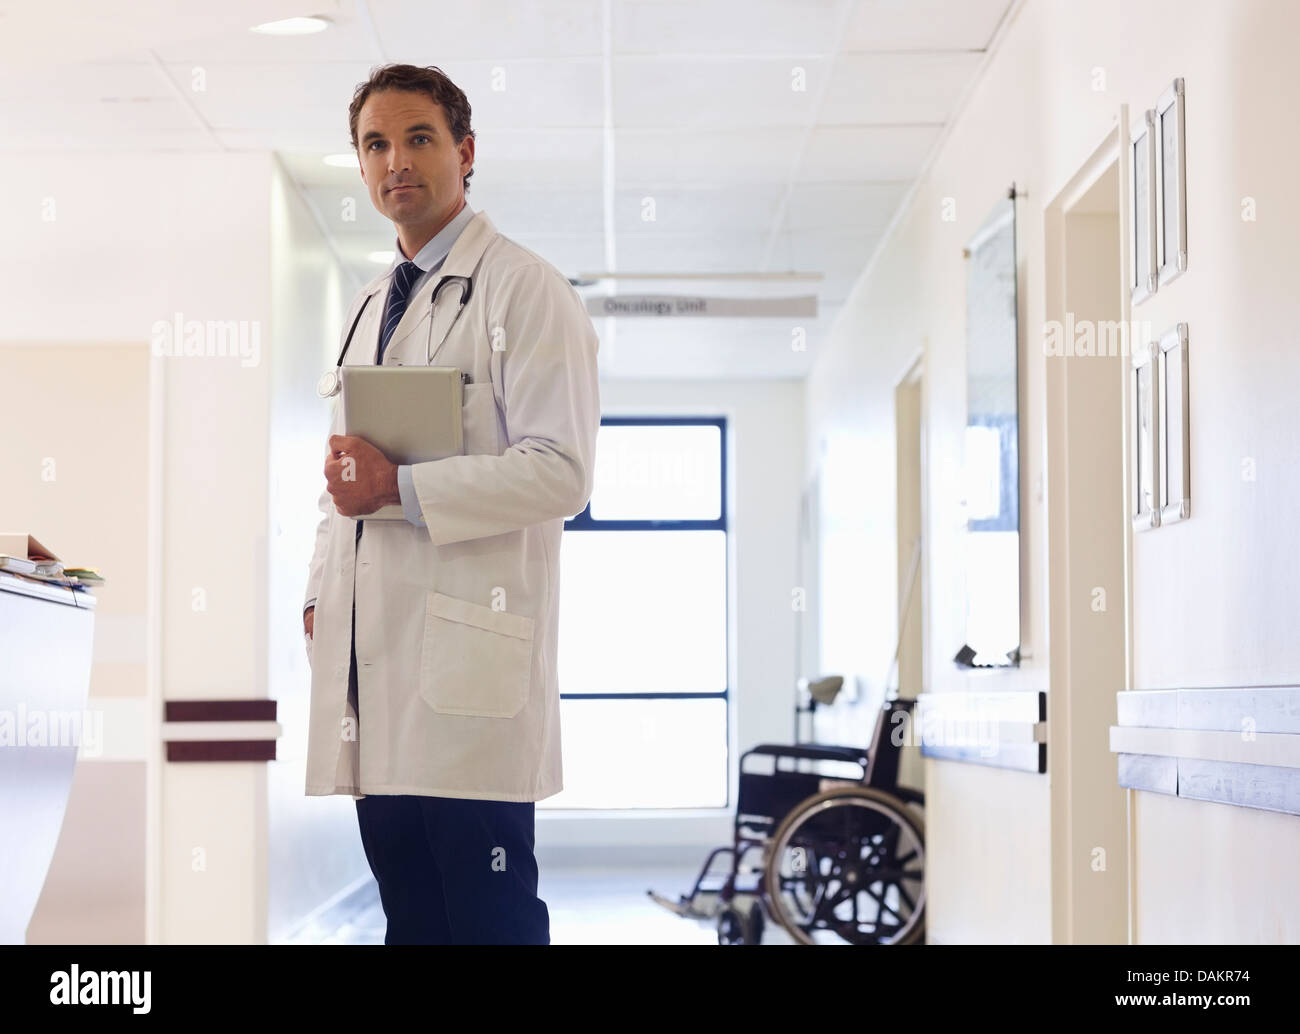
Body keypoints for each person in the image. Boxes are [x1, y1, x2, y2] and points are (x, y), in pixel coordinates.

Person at [301, 63, 601, 945]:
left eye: (419, 138)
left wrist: (401, 488)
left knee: (488, 917)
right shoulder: (366, 309)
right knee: (411, 918)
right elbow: (341, 480)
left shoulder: (524, 288)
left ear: (465, 153)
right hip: (375, 666)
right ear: (361, 168)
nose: (397, 161)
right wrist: (322, 591)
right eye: (376, 145)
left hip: (470, 667)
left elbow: (562, 472)